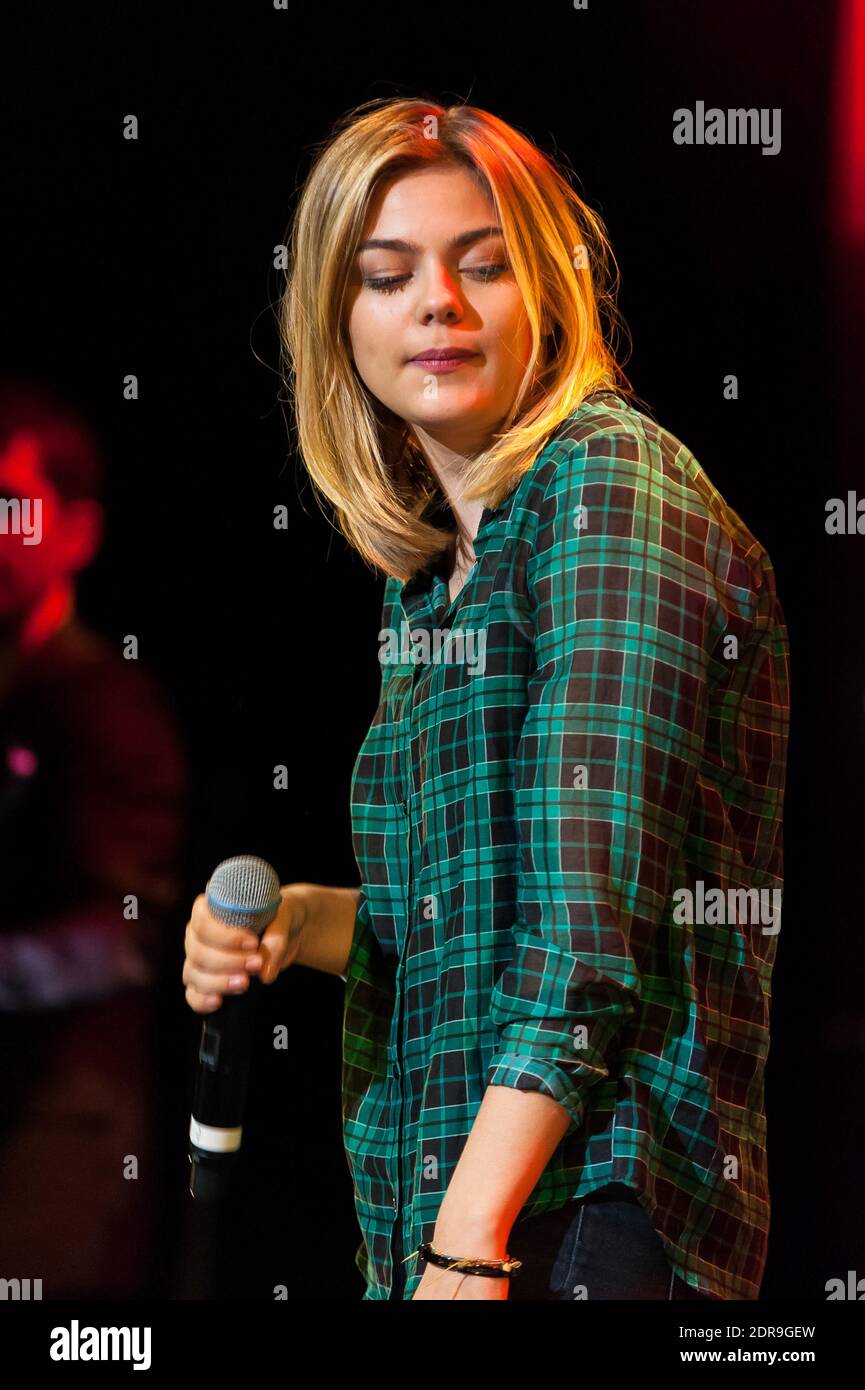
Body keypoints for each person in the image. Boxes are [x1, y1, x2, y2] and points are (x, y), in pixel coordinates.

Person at [182, 97, 790, 1301]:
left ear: (549, 295)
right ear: (336, 318)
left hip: (585, 1218)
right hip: (474, 1213)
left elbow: (585, 927)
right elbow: (475, 922)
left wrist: (468, 1240)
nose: (437, 305)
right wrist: (303, 923)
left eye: (484, 265)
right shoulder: (431, 581)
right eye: (386, 274)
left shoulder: (607, 483)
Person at [0, 380, 189, 1296]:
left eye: (11, 505)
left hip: (52, 1134)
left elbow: (130, 936)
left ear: (76, 531)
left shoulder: (104, 707)